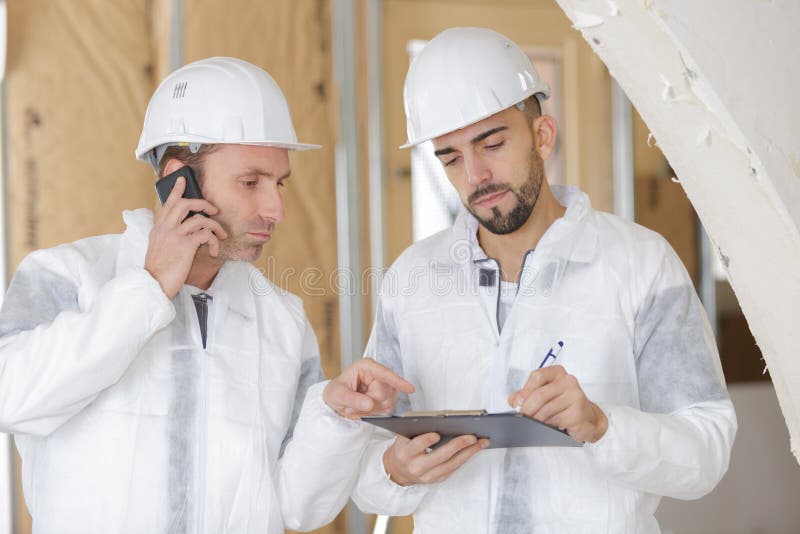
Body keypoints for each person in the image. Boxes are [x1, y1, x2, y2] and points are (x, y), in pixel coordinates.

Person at [0, 57, 412, 534]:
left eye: (278, 183)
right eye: (250, 182)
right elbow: (9, 397)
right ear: (179, 179)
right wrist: (148, 288)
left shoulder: (280, 319)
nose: (276, 208)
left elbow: (300, 509)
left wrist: (335, 417)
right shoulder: (69, 276)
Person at [352, 27, 737, 533]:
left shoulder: (640, 265)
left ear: (542, 136)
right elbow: (364, 467)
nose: (474, 174)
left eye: (491, 143)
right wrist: (394, 471)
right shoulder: (413, 280)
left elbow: (705, 455)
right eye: (449, 157)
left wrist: (602, 426)